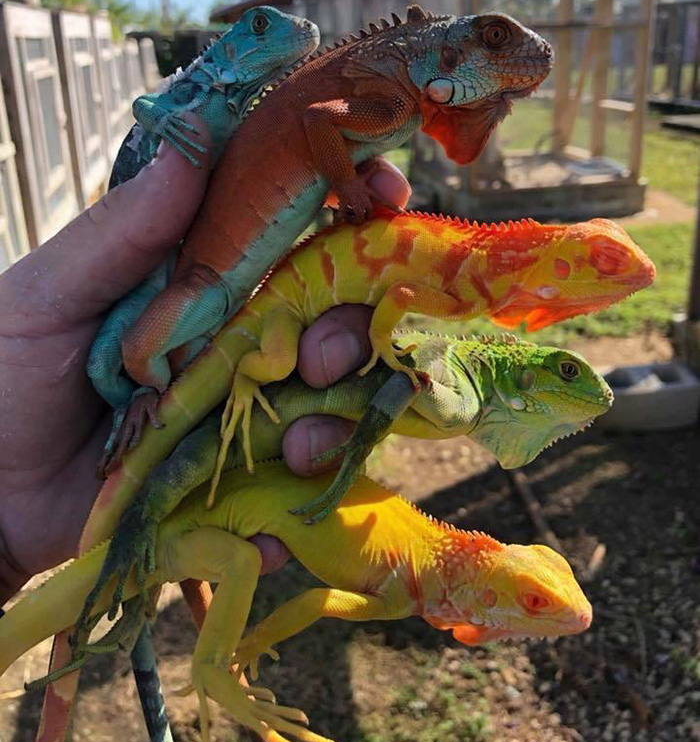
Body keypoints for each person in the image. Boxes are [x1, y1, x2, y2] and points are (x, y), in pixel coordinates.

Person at [0, 121, 411, 605]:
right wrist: (144, 392)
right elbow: (125, 353)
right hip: (169, 333)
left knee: (191, 498)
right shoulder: (194, 138)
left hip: (204, 329)